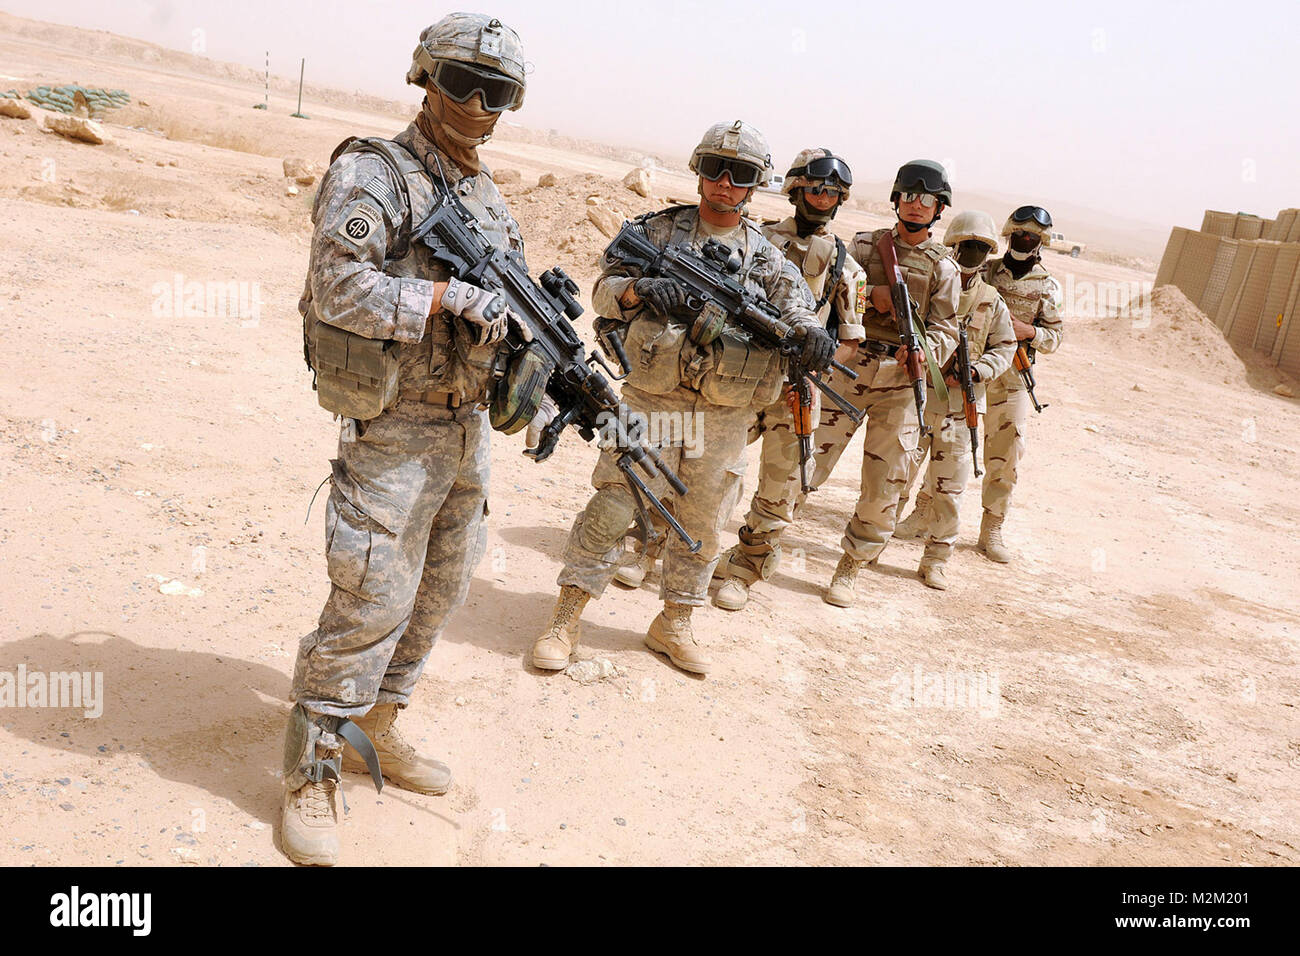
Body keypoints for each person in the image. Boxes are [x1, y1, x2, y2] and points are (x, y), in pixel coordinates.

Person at [283, 13, 534, 866]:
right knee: (370, 600)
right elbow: (335, 287)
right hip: (395, 430)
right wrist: (437, 301)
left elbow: (514, 305)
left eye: (496, 90)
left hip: (467, 430)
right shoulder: (375, 173)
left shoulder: (487, 196)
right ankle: (313, 766)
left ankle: (379, 726)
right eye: (461, 82)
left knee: (440, 592)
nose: (477, 103)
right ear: (424, 77)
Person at [530, 121, 830, 675]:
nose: (723, 182)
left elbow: (797, 308)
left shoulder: (765, 258)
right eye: (713, 168)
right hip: (652, 400)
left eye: (738, 174)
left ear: (754, 184)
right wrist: (637, 289)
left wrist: (810, 331)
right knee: (616, 501)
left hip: (724, 410)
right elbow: (601, 291)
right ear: (698, 172)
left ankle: (674, 621)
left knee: (705, 516)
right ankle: (566, 616)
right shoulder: (660, 234)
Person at [712, 148, 866, 611]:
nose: (824, 198)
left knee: (783, 485)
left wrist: (816, 366)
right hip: (739, 374)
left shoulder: (846, 265)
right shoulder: (755, 239)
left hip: (796, 386)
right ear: (796, 188)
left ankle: (744, 569)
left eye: (834, 192)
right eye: (816, 188)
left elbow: (852, 340)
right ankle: (659, 543)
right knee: (706, 465)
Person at [810, 160, 960, 607]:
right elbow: (835, 296)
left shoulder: (944, 268)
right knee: (805, 461)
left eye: (927, 200)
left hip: (899, 384)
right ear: (896, 200)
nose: (916, 206)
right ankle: (760, 547)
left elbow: (947, 330)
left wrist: (922, 350)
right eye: (909, 197)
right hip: (849, 369)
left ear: (939, 209)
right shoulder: (863, 245)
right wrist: (870, 298)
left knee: (885, 483)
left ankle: (851, 566)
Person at [893, 210, 1016, 589]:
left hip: (961, 407)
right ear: (953, 245)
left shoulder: (991, 300)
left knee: (950, 488)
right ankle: (872, 545)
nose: (974, 254)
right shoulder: (931, 281)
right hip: (916, 398)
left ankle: (936, 558)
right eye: (968, 246)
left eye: (981, 248)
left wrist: (977, 371)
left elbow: (1006, 346)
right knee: (894, 477)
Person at [978, 205, 1064, 563]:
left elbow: (1056, 336)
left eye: (1031, 236)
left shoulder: (1048, 285)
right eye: (1019, 234)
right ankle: (924, 512)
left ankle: (991, 528)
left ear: (1041, 241)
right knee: (940, 442)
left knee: (1006, 456)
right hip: (973, 368)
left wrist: (1028, 331)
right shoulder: (986, 269)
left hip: (1012, 379)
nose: (1024, 240)